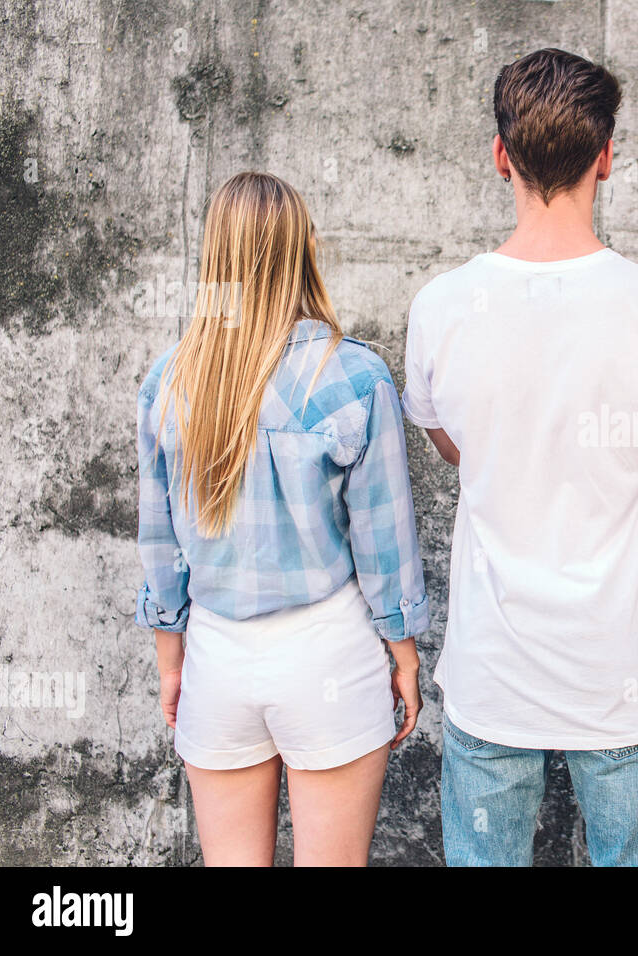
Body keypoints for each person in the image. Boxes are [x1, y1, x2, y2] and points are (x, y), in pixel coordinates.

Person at [401, 48, 638, 866]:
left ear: (499, 156)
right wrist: (622, 464)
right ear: (608, 158)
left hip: (492, 677)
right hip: (618, 673)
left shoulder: (442, 306)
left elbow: (457, 448)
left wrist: (522, 452)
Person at [135, 171, 430, 866]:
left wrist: (169, 661)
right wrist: (405, 654)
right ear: (302, 249)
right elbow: (384, 542)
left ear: (217, 259)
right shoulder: (355, 377)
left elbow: (160, 545)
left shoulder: (168, 382)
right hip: (326, 652)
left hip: (216, 656)